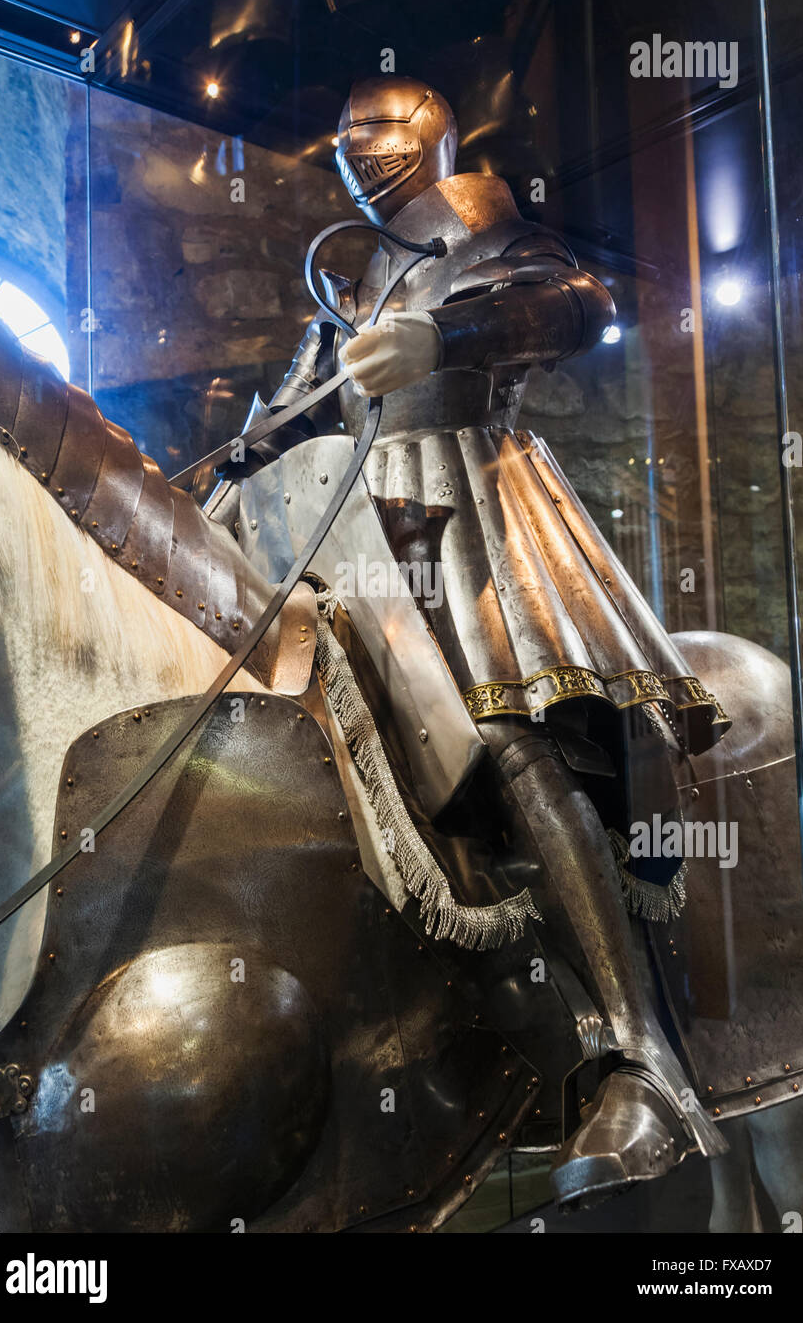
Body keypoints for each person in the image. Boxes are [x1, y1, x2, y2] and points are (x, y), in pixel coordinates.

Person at [214, 77, 730, 1206]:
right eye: (344, 137)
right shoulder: (350, 284)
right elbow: (303, 411)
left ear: (437, 133)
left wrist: (437, 330)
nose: (360, 153)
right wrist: (225, 463)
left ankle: (643, 1064)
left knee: (508, 736)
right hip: (360, 530)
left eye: (381, 130)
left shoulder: (480, 237)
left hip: (474, 504)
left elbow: (573, 304)